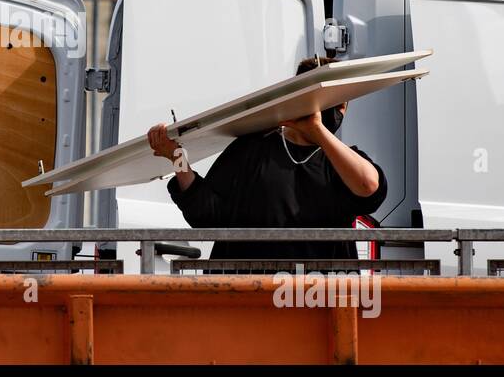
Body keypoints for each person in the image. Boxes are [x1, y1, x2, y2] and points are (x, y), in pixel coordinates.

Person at [145, 56, 386, 262]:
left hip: (317, 294)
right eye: (333, 103)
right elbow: (206, 211)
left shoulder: (341, 160)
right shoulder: (253, 149)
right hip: (253, 291)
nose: (340, 112)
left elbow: (369, 187)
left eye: (343, 105)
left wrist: (317, 131)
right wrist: (176, 156)